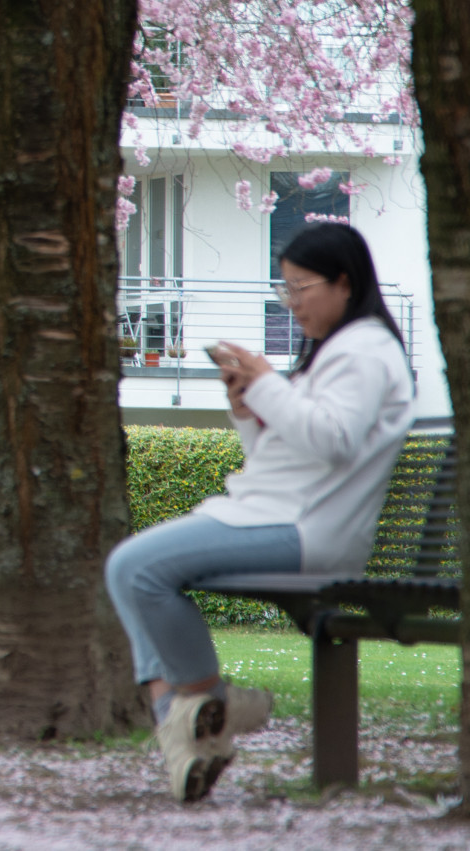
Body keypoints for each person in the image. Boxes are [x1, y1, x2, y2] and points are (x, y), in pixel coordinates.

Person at [105, 223, 411, 802]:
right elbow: (283, 458)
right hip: (277, 514)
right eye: (285, 290)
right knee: (131, 570)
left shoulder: (365, 351)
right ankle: (192, 724)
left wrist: (269, 384)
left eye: (301, 288)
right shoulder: (337, 351)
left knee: (135, 569)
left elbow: (335, 439)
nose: (292, 303)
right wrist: (249, 409)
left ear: (344, 283)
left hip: (307, 530)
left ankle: (203, 706)